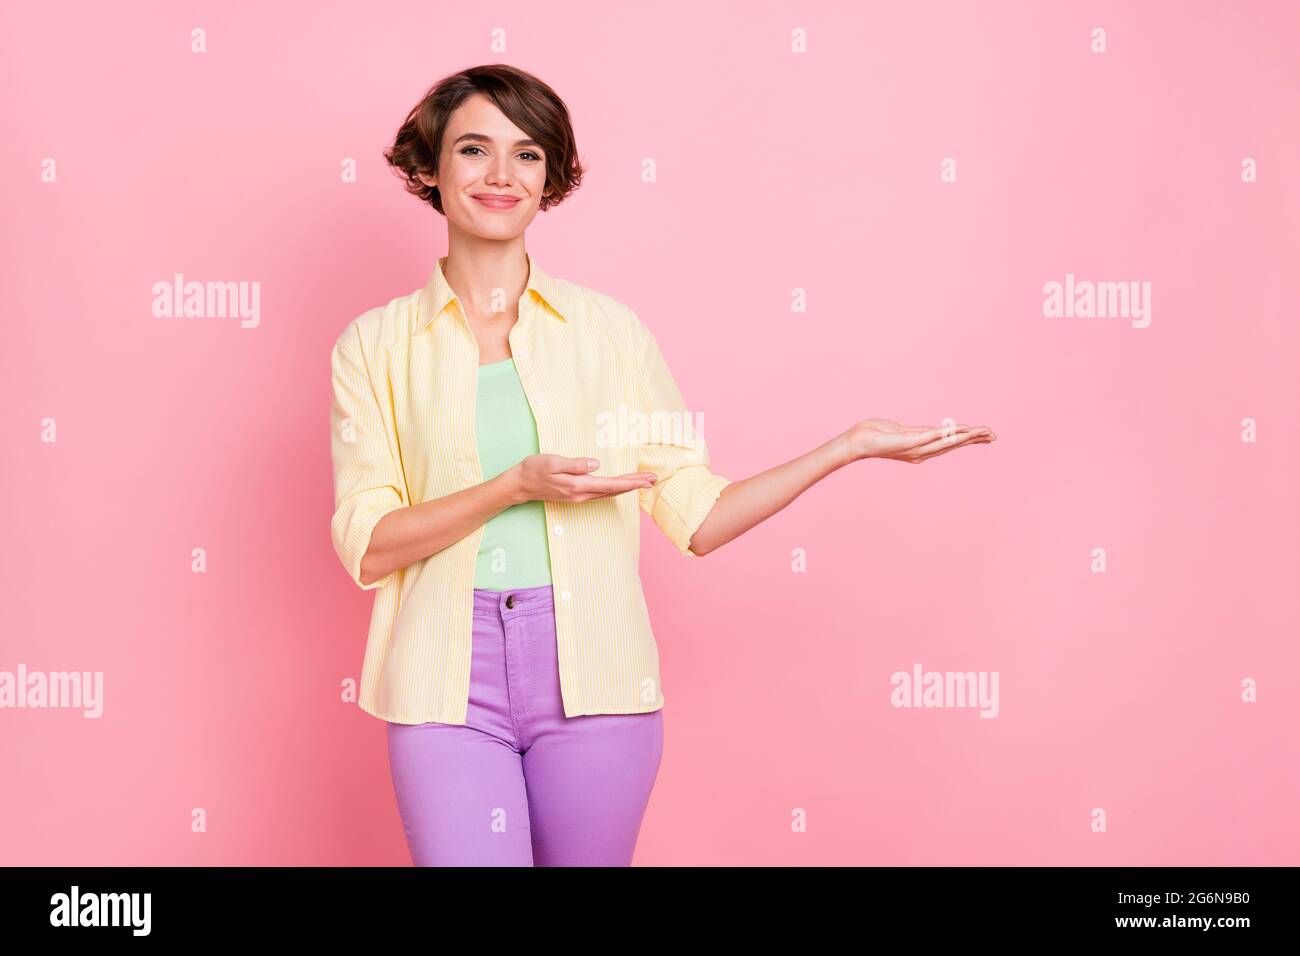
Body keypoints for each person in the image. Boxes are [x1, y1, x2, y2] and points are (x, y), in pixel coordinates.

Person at [329, 63, 996, 866]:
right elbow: (369, 544)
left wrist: (845, 447)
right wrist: (513, 485)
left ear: (552, 179)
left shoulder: (611, 335)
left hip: (598, 679)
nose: (502, 175)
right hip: (443, 683)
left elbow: (699, 518)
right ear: (431, 169)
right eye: (475, 150)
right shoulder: (375, 347)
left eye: (529, 154)